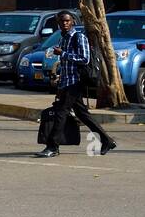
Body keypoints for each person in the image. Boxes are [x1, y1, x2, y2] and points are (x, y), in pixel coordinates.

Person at [35, 11, 117, 158]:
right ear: (58, 23)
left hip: (76, 82)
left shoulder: (79, 37)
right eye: (61, 22)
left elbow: (84, 59)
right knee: (83, 114)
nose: (65, 24)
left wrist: (64, 54)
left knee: (61, 113)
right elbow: (65, 65)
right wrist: (60, 84)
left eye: (67, 21)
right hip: (67, 82)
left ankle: (53, 146)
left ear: (72, 21)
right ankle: (107, 140)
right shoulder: (63, 38)